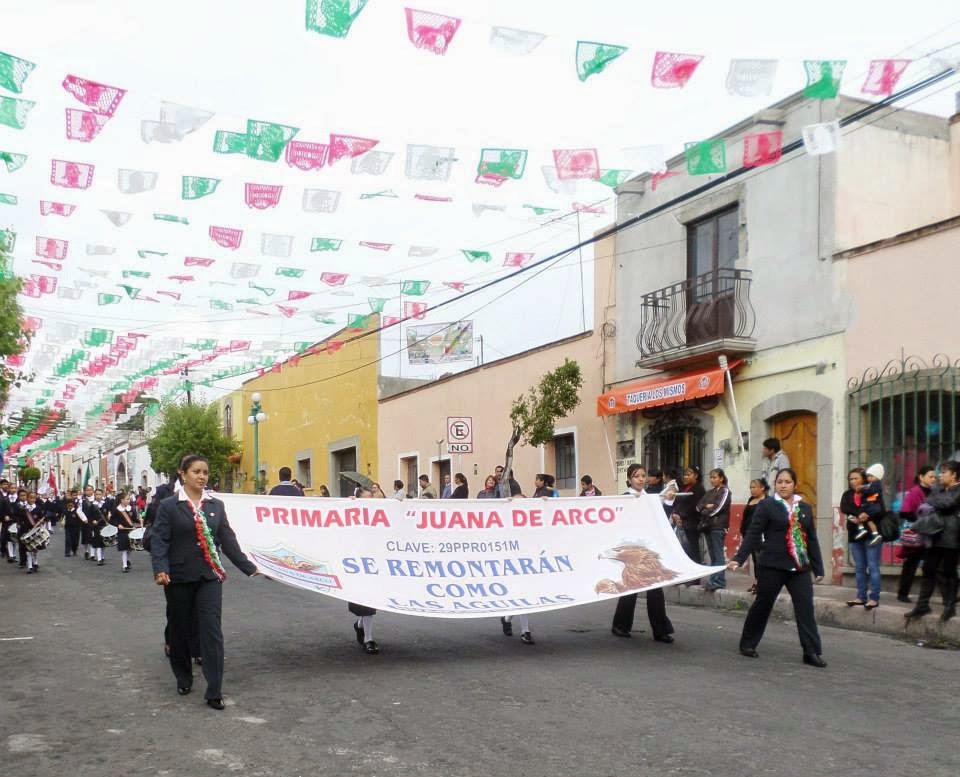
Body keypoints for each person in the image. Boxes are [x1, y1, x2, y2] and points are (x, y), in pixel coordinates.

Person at [151, 454, 260, 709]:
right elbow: (159, 540)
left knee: (212, 631)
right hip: (177, 577)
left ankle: (214, 690)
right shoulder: (168, 506)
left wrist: (250, 568)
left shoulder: (216, 505)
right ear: (183, 473)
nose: (202, 477)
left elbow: (228, 540)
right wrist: (160, 569)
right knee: (179, 629)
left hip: (209, 576)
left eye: (205, 472)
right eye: (196, 472)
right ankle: (183, 675)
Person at [728, 468, 826, 667]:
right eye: (779, 482)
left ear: (794, 484)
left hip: (799, 567)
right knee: (763, 605)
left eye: (787, 481)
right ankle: (748, 643)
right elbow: (753, 534)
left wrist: (819, 568)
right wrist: (739, 558)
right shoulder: (767, 505)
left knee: (805, 608)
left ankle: (811, 652)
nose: (783, 485)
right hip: (772, 565)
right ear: (775, 485)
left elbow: (812, 539)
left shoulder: (804, 508)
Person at [610, 463, 676, 644]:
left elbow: (662, 520)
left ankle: (660, 631)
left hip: (649, 550)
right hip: (631, 549)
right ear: (629, 480)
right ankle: (620, 625)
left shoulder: (652, 498)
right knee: (630, 587)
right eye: (636, 476)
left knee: (655, 589)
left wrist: (668, 501)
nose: (640, 479)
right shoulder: (624, 498)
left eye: (642, 475)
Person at [905, 460, 960, 623]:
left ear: (954, 475)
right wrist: (935, 498)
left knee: (949, 571)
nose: (940, 475)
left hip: (953, 536)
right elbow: (931, 501)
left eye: (944, 472)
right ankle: (922, 605)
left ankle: (950, 607)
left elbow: (947, 503)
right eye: (940, 472)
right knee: (928, 570)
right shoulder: (938, 489)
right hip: (934, 535)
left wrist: (934, 499)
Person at [840, 468, 881, 609]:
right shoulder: (848, 494)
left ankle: (874, 598)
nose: (853, 481)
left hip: (870, 535)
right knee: (859, 568)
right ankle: (861, 597)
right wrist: (860, 514)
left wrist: (865, 515)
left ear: (863, 479)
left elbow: (879, 508)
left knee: (873, 566)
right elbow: (845, 507)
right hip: (854, 535)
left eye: (856, 478)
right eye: (850, 479)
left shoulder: (870, 491)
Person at [896, 465, 936, 603]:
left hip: (931, 535)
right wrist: (919, 520)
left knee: (933, 566)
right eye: (930, 476)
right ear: (921, 477)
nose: (933, 479)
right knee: (911, 565)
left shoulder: (934, 492)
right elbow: (904, 512)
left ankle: (937, 596)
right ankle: (903, 594)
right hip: (917, 536)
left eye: (934, 477)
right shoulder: (913, 492)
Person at [348, 485, 381, 654]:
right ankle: (365, 634)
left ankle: (364, 632)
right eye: (366, 499)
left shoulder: (379, 513)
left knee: (370, 604)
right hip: (356, 564)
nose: (370, 503)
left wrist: (400, 505)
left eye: (372, 499)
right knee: (363, 603)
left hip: (374, 563)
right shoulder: (352, 511)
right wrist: (350, 505)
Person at [697, 468, 732, 591]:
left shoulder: (725, 491)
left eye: (715, 477)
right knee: (713, 556)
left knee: (718, 555)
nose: (712, 480)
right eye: (711, 477)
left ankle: (719, 581)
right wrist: (706, 506)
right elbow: (698, 506)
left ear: (721, 478)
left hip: (718, 526)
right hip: (708, 526)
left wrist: (706, 510)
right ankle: (713, 579)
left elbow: (719, 508)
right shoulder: (709, 492)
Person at [673, 466, 706, 577]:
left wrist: (682, 515)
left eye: (688, 474)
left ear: (696, 475)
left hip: (692, 523)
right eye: (685, 474)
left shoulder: (699, 489)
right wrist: (675, 514)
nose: (685, 477)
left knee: (693, 549)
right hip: (680, 523)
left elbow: (695, 506)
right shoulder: (683, 488)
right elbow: (677, 502)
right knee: (682, 550)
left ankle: (695, 576)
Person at [739, 478, 769, 595]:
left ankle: (763, 585)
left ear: (762, 488)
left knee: (761, 560)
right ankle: (758, 583)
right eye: (751, 487)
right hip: (749, 534)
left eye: (754, 487)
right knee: (756, 561)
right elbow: (745, 517)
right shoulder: (751, 500)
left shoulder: (767, 501)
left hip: (761, 537)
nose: (752, 490)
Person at [850, 463, 886, 546]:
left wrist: (861, 489)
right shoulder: (871, 484)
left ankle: (862, 529)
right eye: (868, 476)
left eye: (871, 476)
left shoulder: (877, 484)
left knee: (859, 516)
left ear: (878, 476)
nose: (869, 478)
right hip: (871, 506)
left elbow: (871, 491)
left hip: (873, 507)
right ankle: (875, 534)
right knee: (869, 521)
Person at [111, 491, 141, 572]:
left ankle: (128, 560)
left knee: (129, 548)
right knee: (124, 548)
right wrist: (118, 525)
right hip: (122, 531)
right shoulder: (117, 510)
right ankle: (124, 565)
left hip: (130, 530)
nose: (129, 501)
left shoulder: (131, 508)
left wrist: (140, 521)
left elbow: (134, 519)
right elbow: (112, 520)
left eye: (129, 499)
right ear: (121, 500)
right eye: (127, 499)